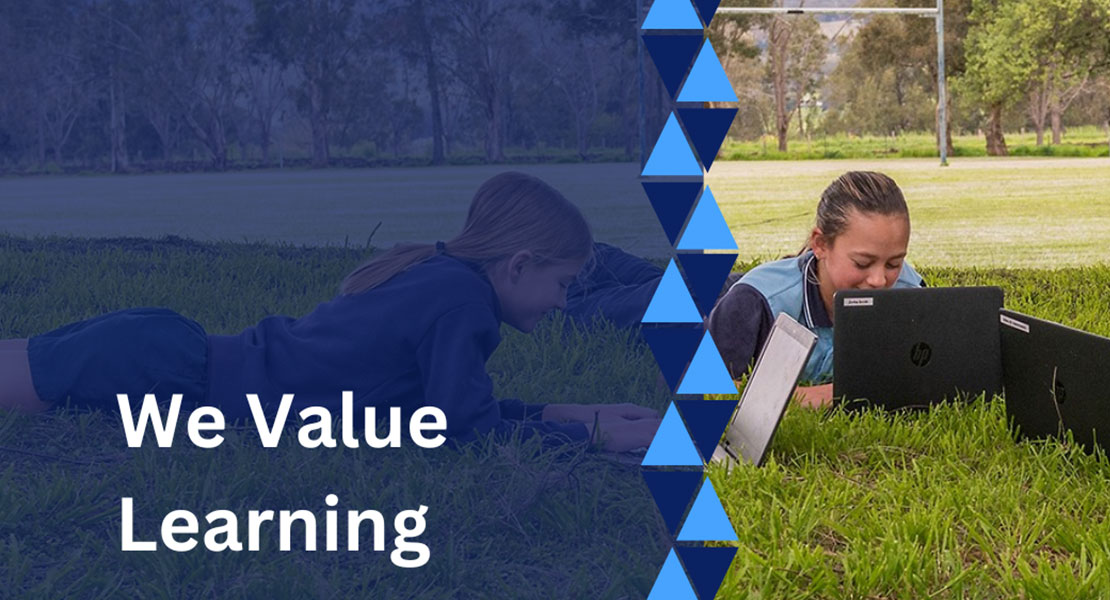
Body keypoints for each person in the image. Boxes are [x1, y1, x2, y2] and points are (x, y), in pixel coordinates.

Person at [0, 171, 659, 452]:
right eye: (561, 283)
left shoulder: (442, 278)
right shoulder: (460, 303)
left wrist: (569, 412)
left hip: (163, 350)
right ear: (517, 264)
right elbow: (466, 433)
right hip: (167, 375)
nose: (564, 302)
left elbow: (444, 413)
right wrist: (595, 436)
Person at [703, 171, 923, 409]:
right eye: (862, 263)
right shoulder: (754, 301)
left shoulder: (913, 293)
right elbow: (710, 388)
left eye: (893, 264)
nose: (879, 280)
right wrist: (824, 396)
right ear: (820, 244)